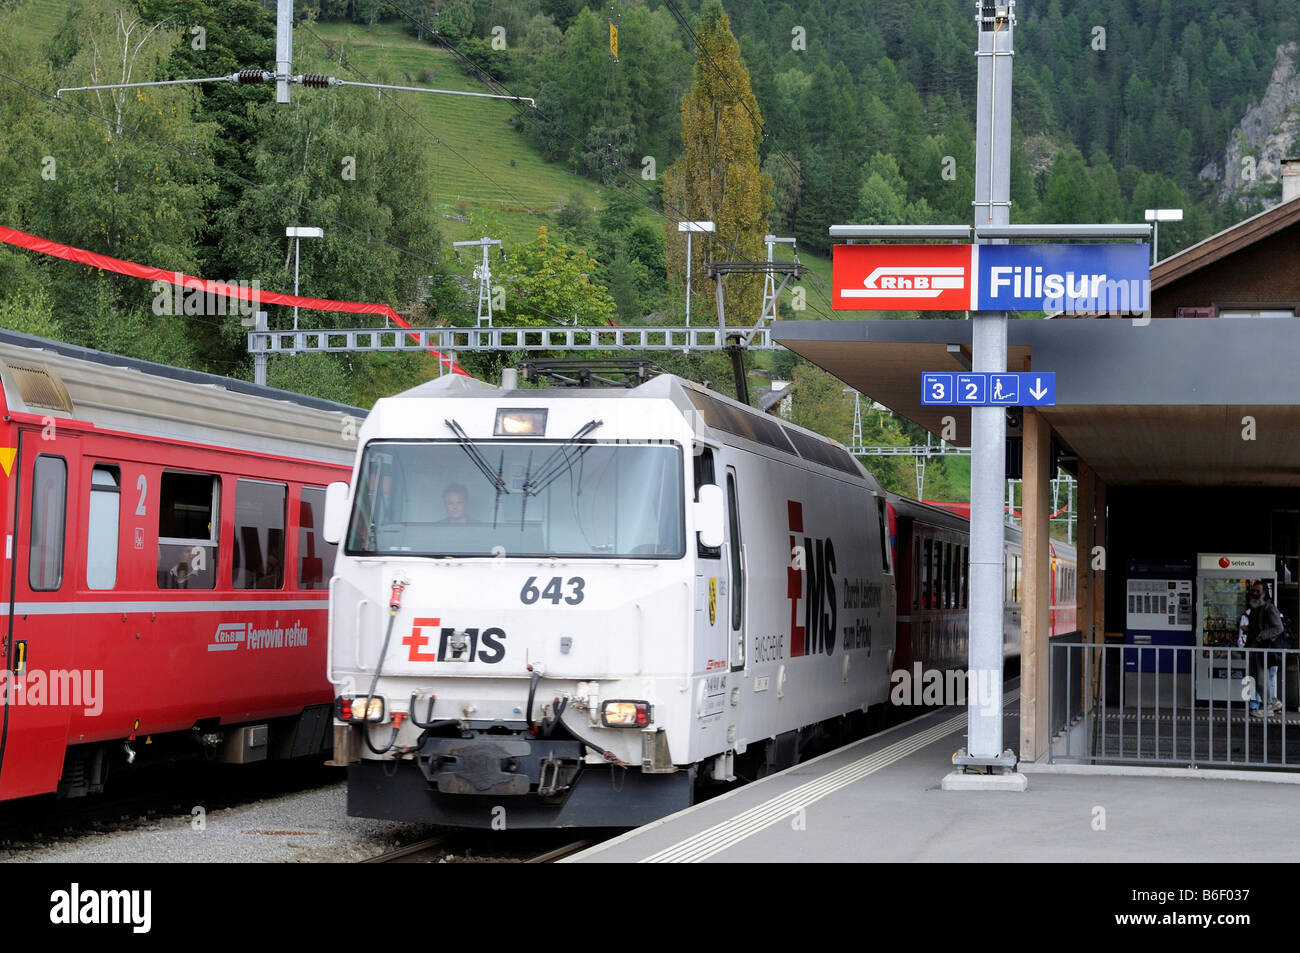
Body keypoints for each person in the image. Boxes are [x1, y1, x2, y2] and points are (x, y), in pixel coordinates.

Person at [1245, 581, 1285, 717]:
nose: (1255, 593)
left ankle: (1268, 706)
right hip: (1257, 648)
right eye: (1253, 591)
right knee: (1259, 679)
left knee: (1261, 679)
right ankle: (1272, 702)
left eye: (1258, 591)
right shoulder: (1257, 608)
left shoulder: (1269, 608)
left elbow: (1279, 628)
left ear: (1264, 593)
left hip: (1264, 648)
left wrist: (1261, 636)